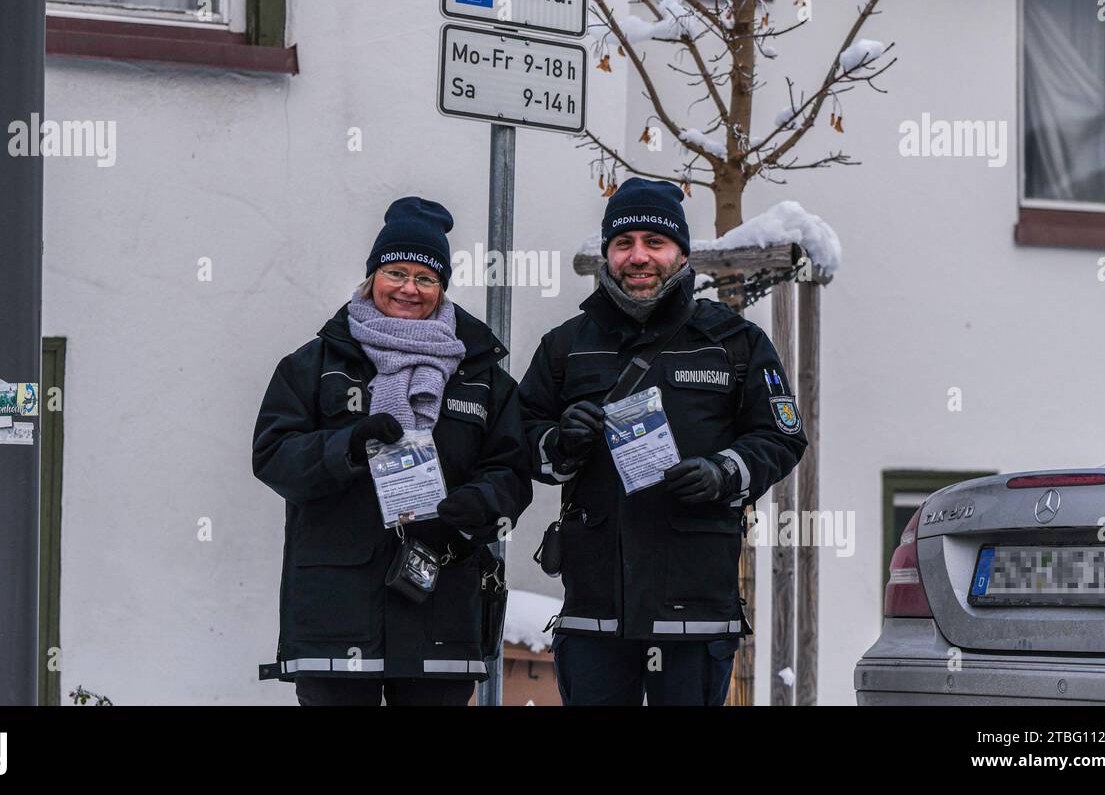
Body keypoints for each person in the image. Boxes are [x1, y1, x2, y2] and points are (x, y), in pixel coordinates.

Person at [518, 178, 807, 706]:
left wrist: (725, 471)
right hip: (595, 613)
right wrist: (559, 443)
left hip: (694, 611)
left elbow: (783, 436)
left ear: (682, 254)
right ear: (607, 253)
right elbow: (520, 438)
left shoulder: (736, 343)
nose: (638, 257)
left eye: (655, 242)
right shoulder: (565, 347)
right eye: (623, 243)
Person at [252, 196, 532, 706]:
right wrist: (348, 446)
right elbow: (274, 457)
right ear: (372, 278)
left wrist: (481, 502)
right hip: (335, 617)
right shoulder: (314, 365)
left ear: (442, 288)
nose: (409, 288)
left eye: (426, 278)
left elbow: (512, 469)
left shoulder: (482, 376)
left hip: (441, 608)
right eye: (396, 272)